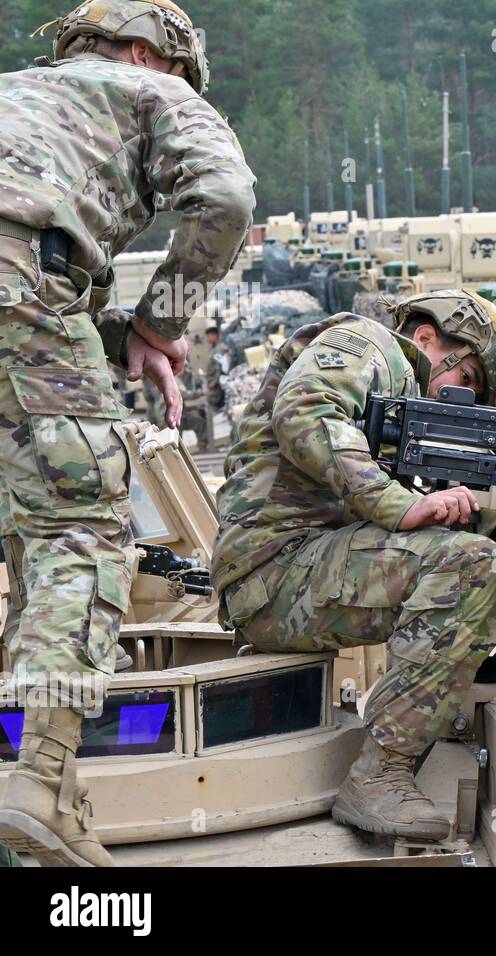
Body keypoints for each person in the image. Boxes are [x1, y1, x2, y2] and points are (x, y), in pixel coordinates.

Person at [0, 0, 256, 867]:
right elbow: (223, 198)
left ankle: (55, 805)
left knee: (23, 517)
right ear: (150, 54)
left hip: (29, 301)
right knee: (77, 521)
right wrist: (159, 323)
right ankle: (37, 774)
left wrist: (108, 335)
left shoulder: (18, 97)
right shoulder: (147, 90)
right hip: (21, 290)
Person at [211, 291, 496, 841]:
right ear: (429, 341)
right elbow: (304, 410)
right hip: (275, 569)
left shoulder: (401, 404)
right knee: (470, 565)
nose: (466, 403)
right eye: (469, 379)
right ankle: (380, 775)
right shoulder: (371, 345)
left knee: (480, 545)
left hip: (304, 566)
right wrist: (403, 506)